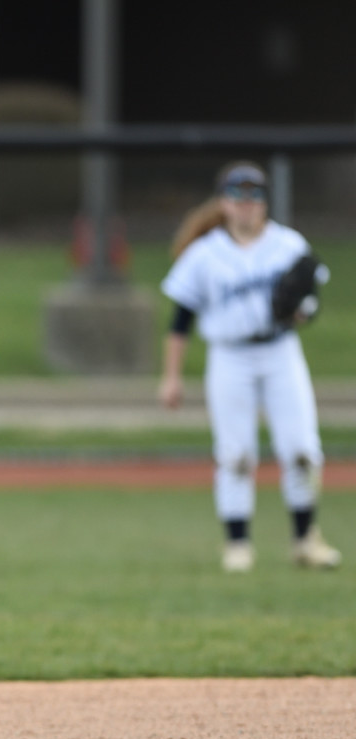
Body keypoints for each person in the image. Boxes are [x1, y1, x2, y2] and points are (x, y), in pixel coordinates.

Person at [158, 160, 341, 573]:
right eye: (237, 195)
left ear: (265, 201)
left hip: (280, 351)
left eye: (255, 195)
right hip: (230, 356)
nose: (246, 203)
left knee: (301, 448)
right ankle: (237, 544)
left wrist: (304, 311)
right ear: (222, 202)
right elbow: (180, 320)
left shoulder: (287, 244)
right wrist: (171, 377)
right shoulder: (204, 254)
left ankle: (305, 539)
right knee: (235, 452)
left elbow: (310, 299)